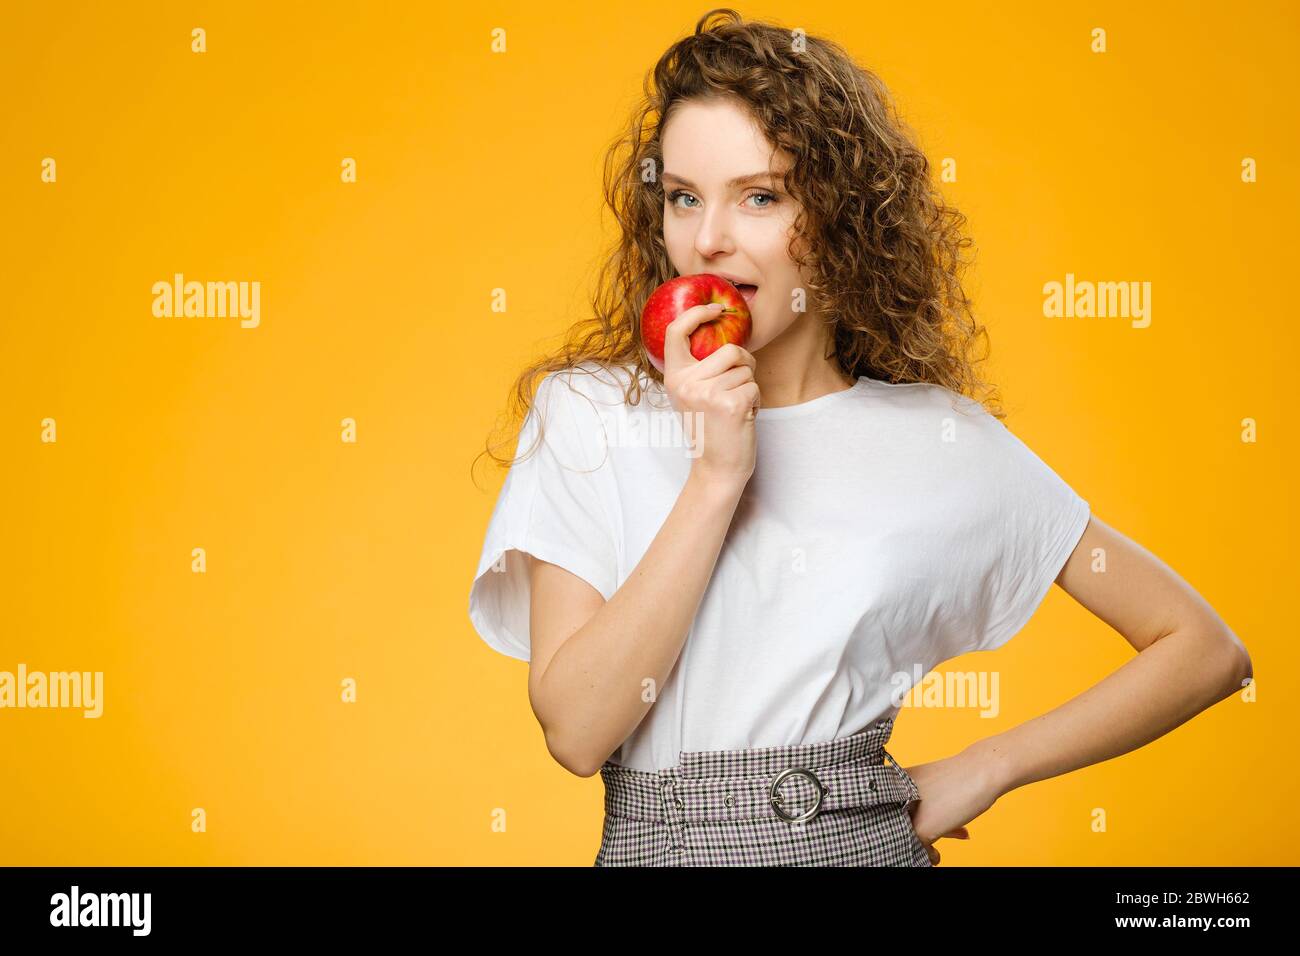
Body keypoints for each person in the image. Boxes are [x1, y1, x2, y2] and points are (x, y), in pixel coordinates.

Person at [467, 8, 1252, 866]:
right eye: (683, 197)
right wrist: (715, 478)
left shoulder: (938, 442)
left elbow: (1203, 650)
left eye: (759, 196)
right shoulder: (587, 412)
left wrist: (987, 765)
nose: (706, 239)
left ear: (838, 219)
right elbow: (578, 732)